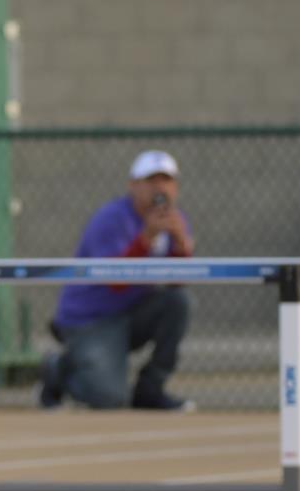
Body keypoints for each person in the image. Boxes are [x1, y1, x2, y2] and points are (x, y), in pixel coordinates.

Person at [37, 150, 196, 412]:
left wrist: (181, 245)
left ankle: (150, 389)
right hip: (91, 320)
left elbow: (178, 283)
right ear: (133, 185)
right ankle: (59, 369)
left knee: (178, 303)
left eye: (166, 181)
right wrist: (146, 239)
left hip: (132, 314)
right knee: (107, 399)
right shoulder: (112, 219)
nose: (159, 188)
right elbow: (115, 281)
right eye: (151, 181)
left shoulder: (176, 222)